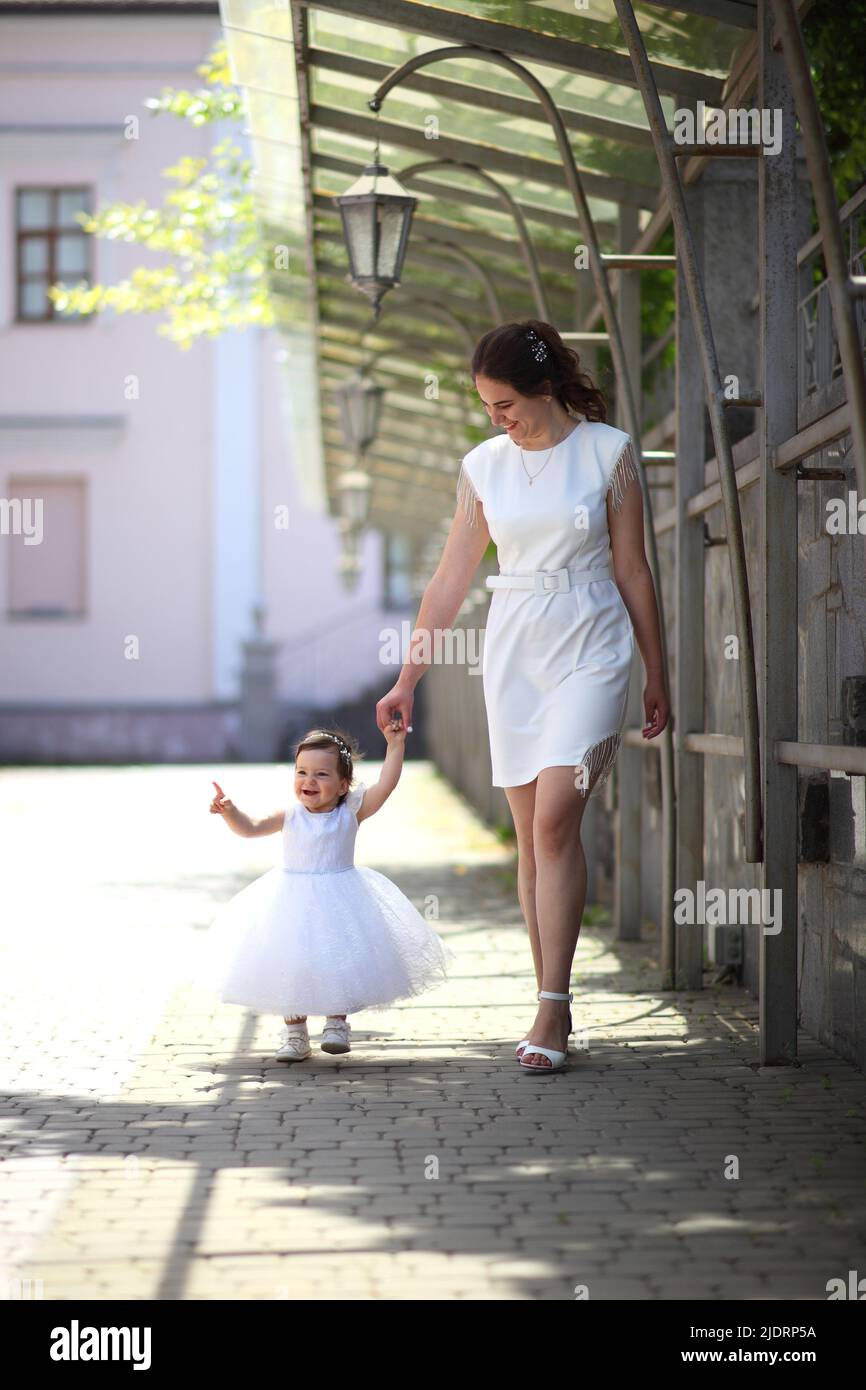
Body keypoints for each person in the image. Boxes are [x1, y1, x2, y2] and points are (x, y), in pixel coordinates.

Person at [376, 319, 670, 1074]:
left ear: (544, 388)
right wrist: (408, 676)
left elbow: (634, 569)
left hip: (592, 641)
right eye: (486, 407)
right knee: (530, 837)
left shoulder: (610, 452)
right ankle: (551, 997)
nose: (496, 419)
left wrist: (657, 668)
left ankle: (553, 1009)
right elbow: (449, 580)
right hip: (513, 648)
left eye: (505, 404)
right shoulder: (483, 465)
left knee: (552, 822)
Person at [201, 721, 450, 1063]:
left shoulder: (350, 813)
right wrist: (230, 811)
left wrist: (395, 745)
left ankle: (336, 1023)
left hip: (341, 898)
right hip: (291, 901)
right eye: (301, 772)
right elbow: (251, 828)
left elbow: (386, 785)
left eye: (321, 774)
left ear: (343, 785)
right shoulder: (289, 816)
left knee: (340, 958)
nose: (309, 781)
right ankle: (294, 1033)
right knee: (292, 962)